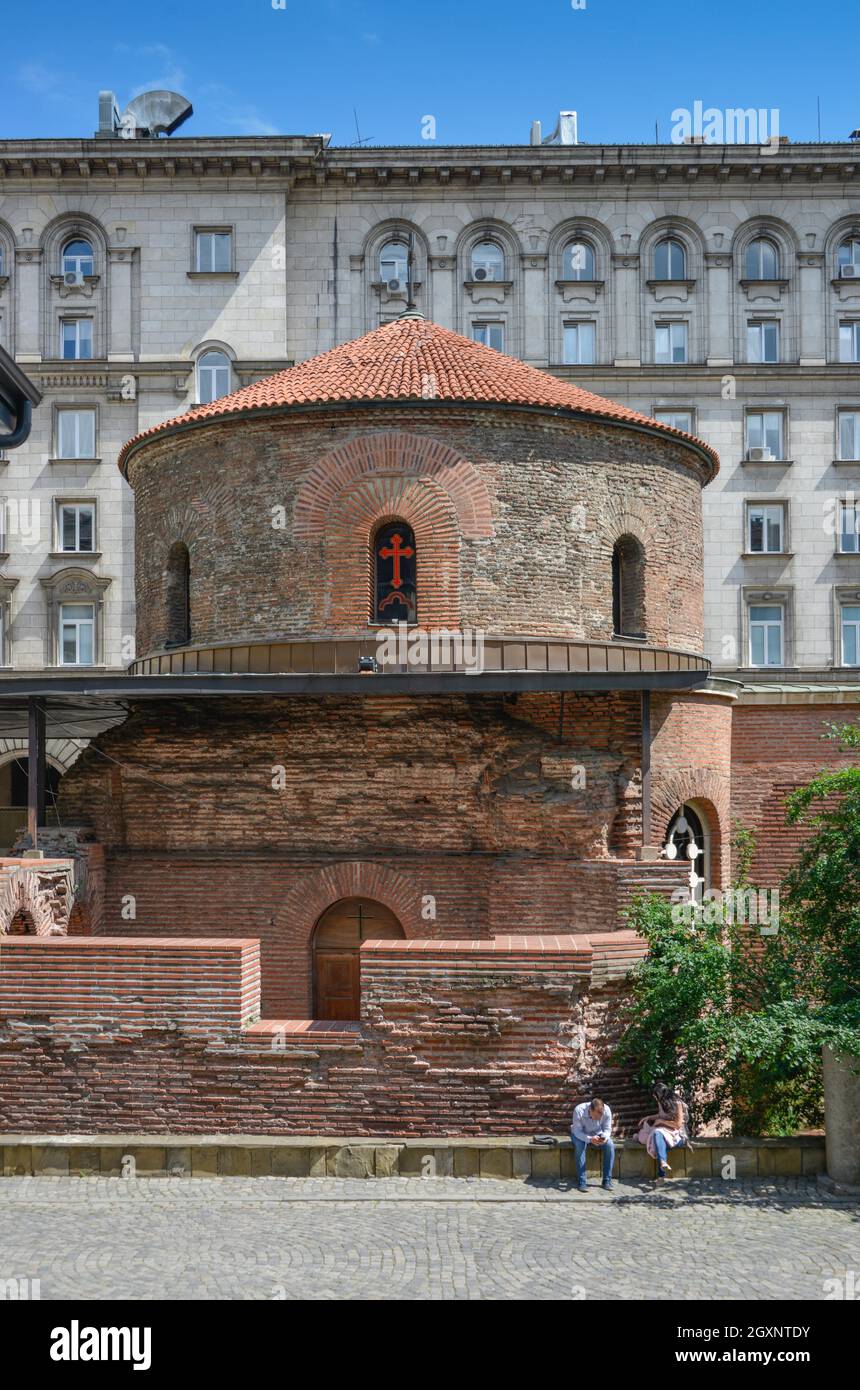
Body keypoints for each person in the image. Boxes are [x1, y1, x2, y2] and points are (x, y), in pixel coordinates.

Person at [637, 1082, 690, 1179]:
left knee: (657, 1136)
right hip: (665, 1132)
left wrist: (661, 1122)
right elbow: (662, 1116)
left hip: (678, 1135)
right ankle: (663, 1164)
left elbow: (678, 1125)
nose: (654, 1097)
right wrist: (649, 1117)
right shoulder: (661, 1102)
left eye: (655, 1095)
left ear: (660, 1094)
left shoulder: (677, 1103)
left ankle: (661, 1174)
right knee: (656, 1137)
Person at [570, 1096, 615, 1192]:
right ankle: (582, 1182)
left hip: (597, 1133)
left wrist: (604, 1138)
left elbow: (607, 1129)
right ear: (590, 1110)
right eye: (595, 1117)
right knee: (580, 1146)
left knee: (610, 1145)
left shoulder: (607, 1110)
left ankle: (607, 1180)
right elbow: (577, 1131)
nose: (596, 1119)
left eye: (599, 1118)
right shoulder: (579, 1110)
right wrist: (590, 1139)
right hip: (580, 1134)